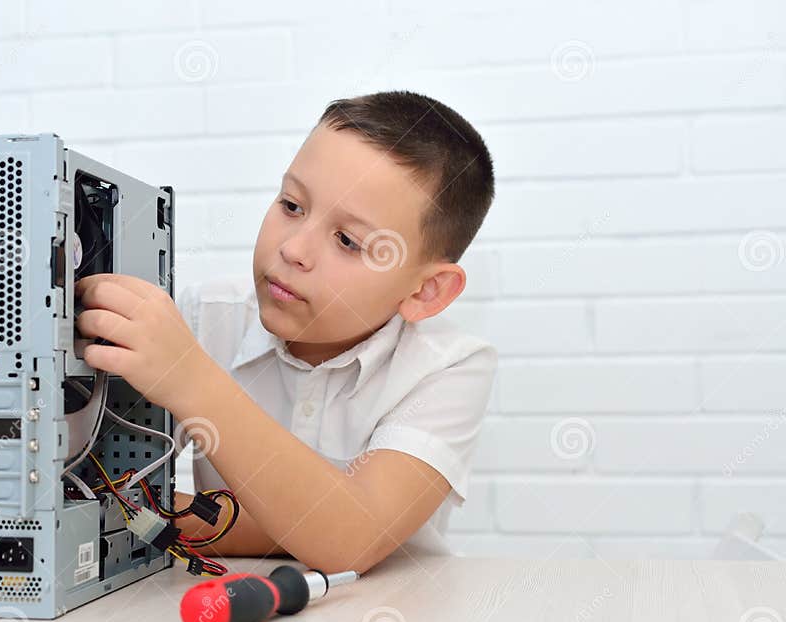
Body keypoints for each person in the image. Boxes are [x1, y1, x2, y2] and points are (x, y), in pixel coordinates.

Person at [75, 90, 497, 574]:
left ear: (427, 292)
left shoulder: (449, 367)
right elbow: (116, 490)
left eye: (347, 240)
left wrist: (190, 379)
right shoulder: (203, 316)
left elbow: (349, 539)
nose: (294, 248)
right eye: (292, 205)